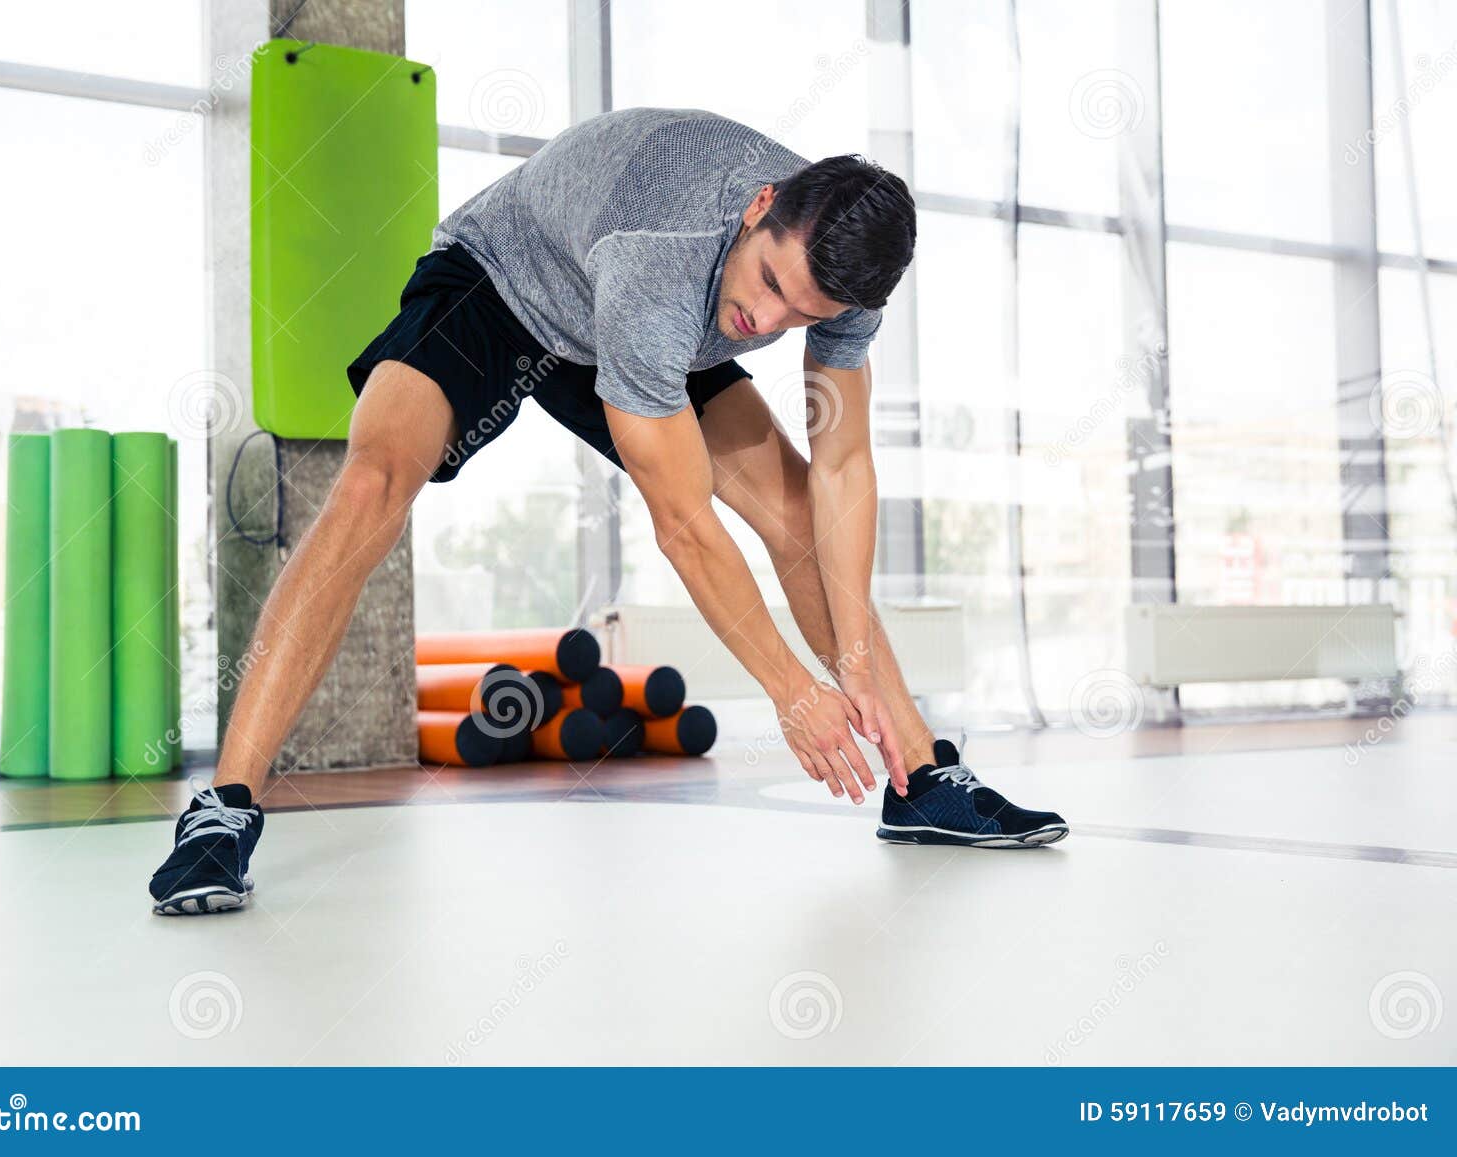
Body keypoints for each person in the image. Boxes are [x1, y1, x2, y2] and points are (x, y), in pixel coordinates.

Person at [149, 107, 1066, 915]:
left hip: (656, 317)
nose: (773, 318)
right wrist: (794, 693)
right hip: (501, 284)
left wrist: (854, 663)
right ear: (759, 207)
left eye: (803, 314)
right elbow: (684, 523)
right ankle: (224, 807)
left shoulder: (838, 276)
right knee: (370, 488)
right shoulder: (658, 261)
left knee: (793, 516)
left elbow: (844, 467)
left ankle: (919, 777)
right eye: (772, 285)